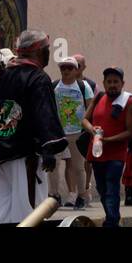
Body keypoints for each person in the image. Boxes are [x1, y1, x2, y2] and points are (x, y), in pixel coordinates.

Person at [0, 30, 66, 226]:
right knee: (27, 213)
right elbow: (44, 114)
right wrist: (49, 148)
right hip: (24, 157)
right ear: (39, 51)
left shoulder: (2, 75)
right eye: (47, 49)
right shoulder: (38, 78)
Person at [82, 65, 132, 227]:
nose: (112, 84)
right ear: (104, 83)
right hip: (97, 152)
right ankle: (112, 217)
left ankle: (111, 222)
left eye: (116, 81)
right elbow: (85, 120)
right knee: (102, 189)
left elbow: (131, 132)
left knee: (111, 187)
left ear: (122, 83)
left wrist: (109, 140)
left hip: (116, 154)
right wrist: (92, 130)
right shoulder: (99, 97)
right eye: (109, 81)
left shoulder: (129, 102)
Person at [52, 56, 93, 209]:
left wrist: (88, 128)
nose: (66, 71)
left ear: (76, 70)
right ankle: (54, 196)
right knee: (54, 165)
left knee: (78, 166)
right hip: (58, 132)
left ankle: (81, 196)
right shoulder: (54, 85)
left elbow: (90, 107)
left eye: (70, 68)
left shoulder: (83, 86)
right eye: (63, 68)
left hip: (77, 132)